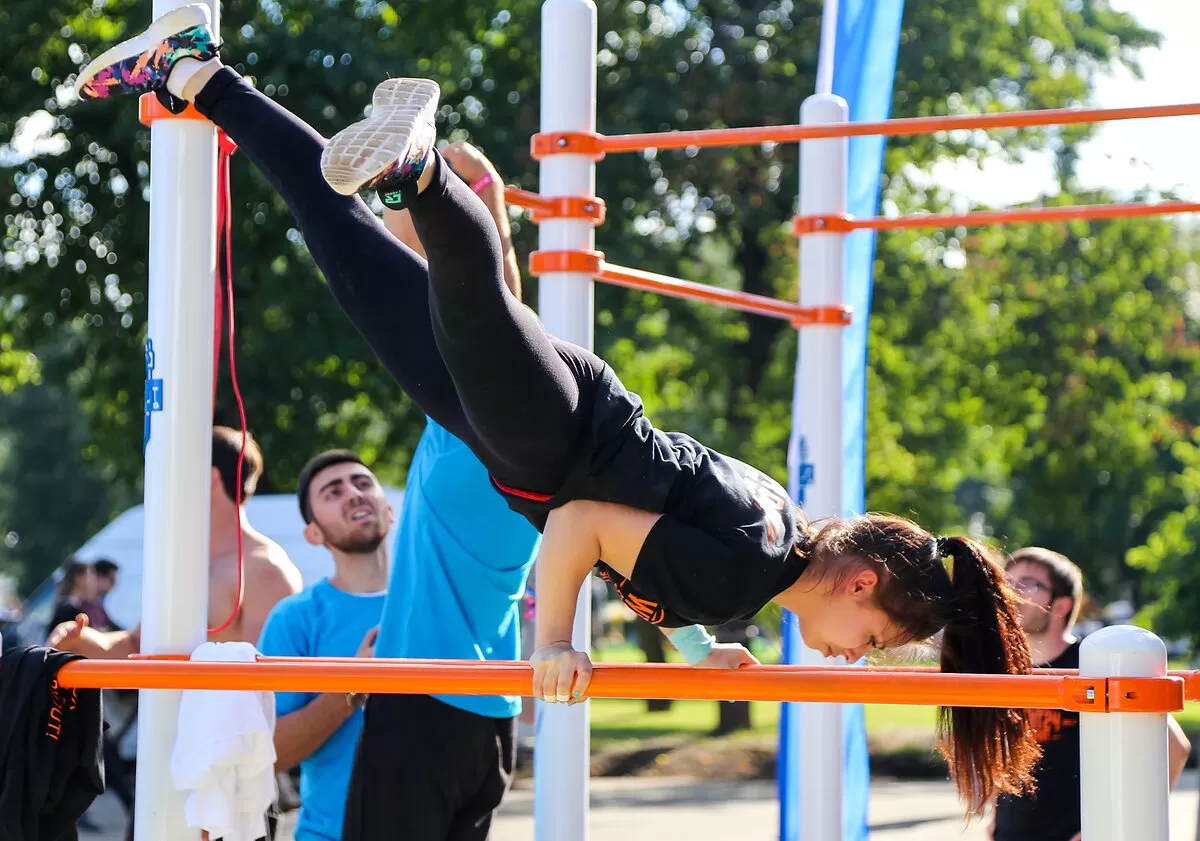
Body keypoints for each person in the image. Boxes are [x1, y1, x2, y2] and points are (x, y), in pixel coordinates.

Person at [73, 8, 1042, 813]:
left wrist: (703, 647)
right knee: (471, 288)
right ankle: (424, 170)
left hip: (553, 421)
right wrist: (553, 646)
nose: (847, 658)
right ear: (862, 580)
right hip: (549, 442)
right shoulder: (747, 567)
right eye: (868, 643)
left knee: (349, 247)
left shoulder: (774, 532)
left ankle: (200, 73)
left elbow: (654, 539)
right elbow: (583, 522)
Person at [990, 548, 1191, 841]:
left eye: (1028, 583)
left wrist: (1128, 821)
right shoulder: (1004, 668)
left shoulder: (1094, 663)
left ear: (1061, 606)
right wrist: (995, 822)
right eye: (1008, 581)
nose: (1012, 591)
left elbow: (1175, 748)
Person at [48, 426, 304, 656]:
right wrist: (81, 640)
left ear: (211, 478)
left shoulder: (264, 570)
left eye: (178, 470)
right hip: (173, 711)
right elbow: (136, 646)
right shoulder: (183, 561)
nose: (167, 483)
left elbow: (263, 688)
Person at [45, 557, 97, 640]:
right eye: (90, 575)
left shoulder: (73, 605)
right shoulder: (68, 609)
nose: (94, 580)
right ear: (79, 578)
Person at [83, 558, 120, 631]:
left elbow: (112, 627)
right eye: (111, 580)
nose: (114, 584)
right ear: (99, 577)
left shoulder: (98, 606)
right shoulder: (77, 604)